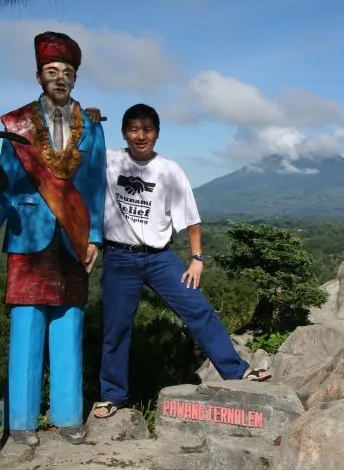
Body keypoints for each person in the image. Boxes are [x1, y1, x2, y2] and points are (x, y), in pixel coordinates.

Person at [91, 103, 271, 420]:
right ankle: (112, 395)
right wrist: (88, 123)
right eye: (134, 129)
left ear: (157, 133)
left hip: (159, 257)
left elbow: (191, 219)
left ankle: (236, 370)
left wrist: (197, 259)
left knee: (197, 308)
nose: (141, 135)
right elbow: (78, 153)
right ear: (124, 133)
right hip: (119, 257)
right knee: (116, 329)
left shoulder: (169, 170)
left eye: (147, 129)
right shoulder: (109, 159)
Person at [0, 31, 106, 446]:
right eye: (52, 71)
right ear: (39, 76)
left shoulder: (92, 127)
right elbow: (8, 188)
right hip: (27, 236)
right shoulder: (18, 125)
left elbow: (96, 186)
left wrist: (95, 237)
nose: (60, 78)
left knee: (69, 325)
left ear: (75, 78)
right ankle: (21, 421)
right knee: (26, 328)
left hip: (74, 236)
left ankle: (67, 415)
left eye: (67, 72)